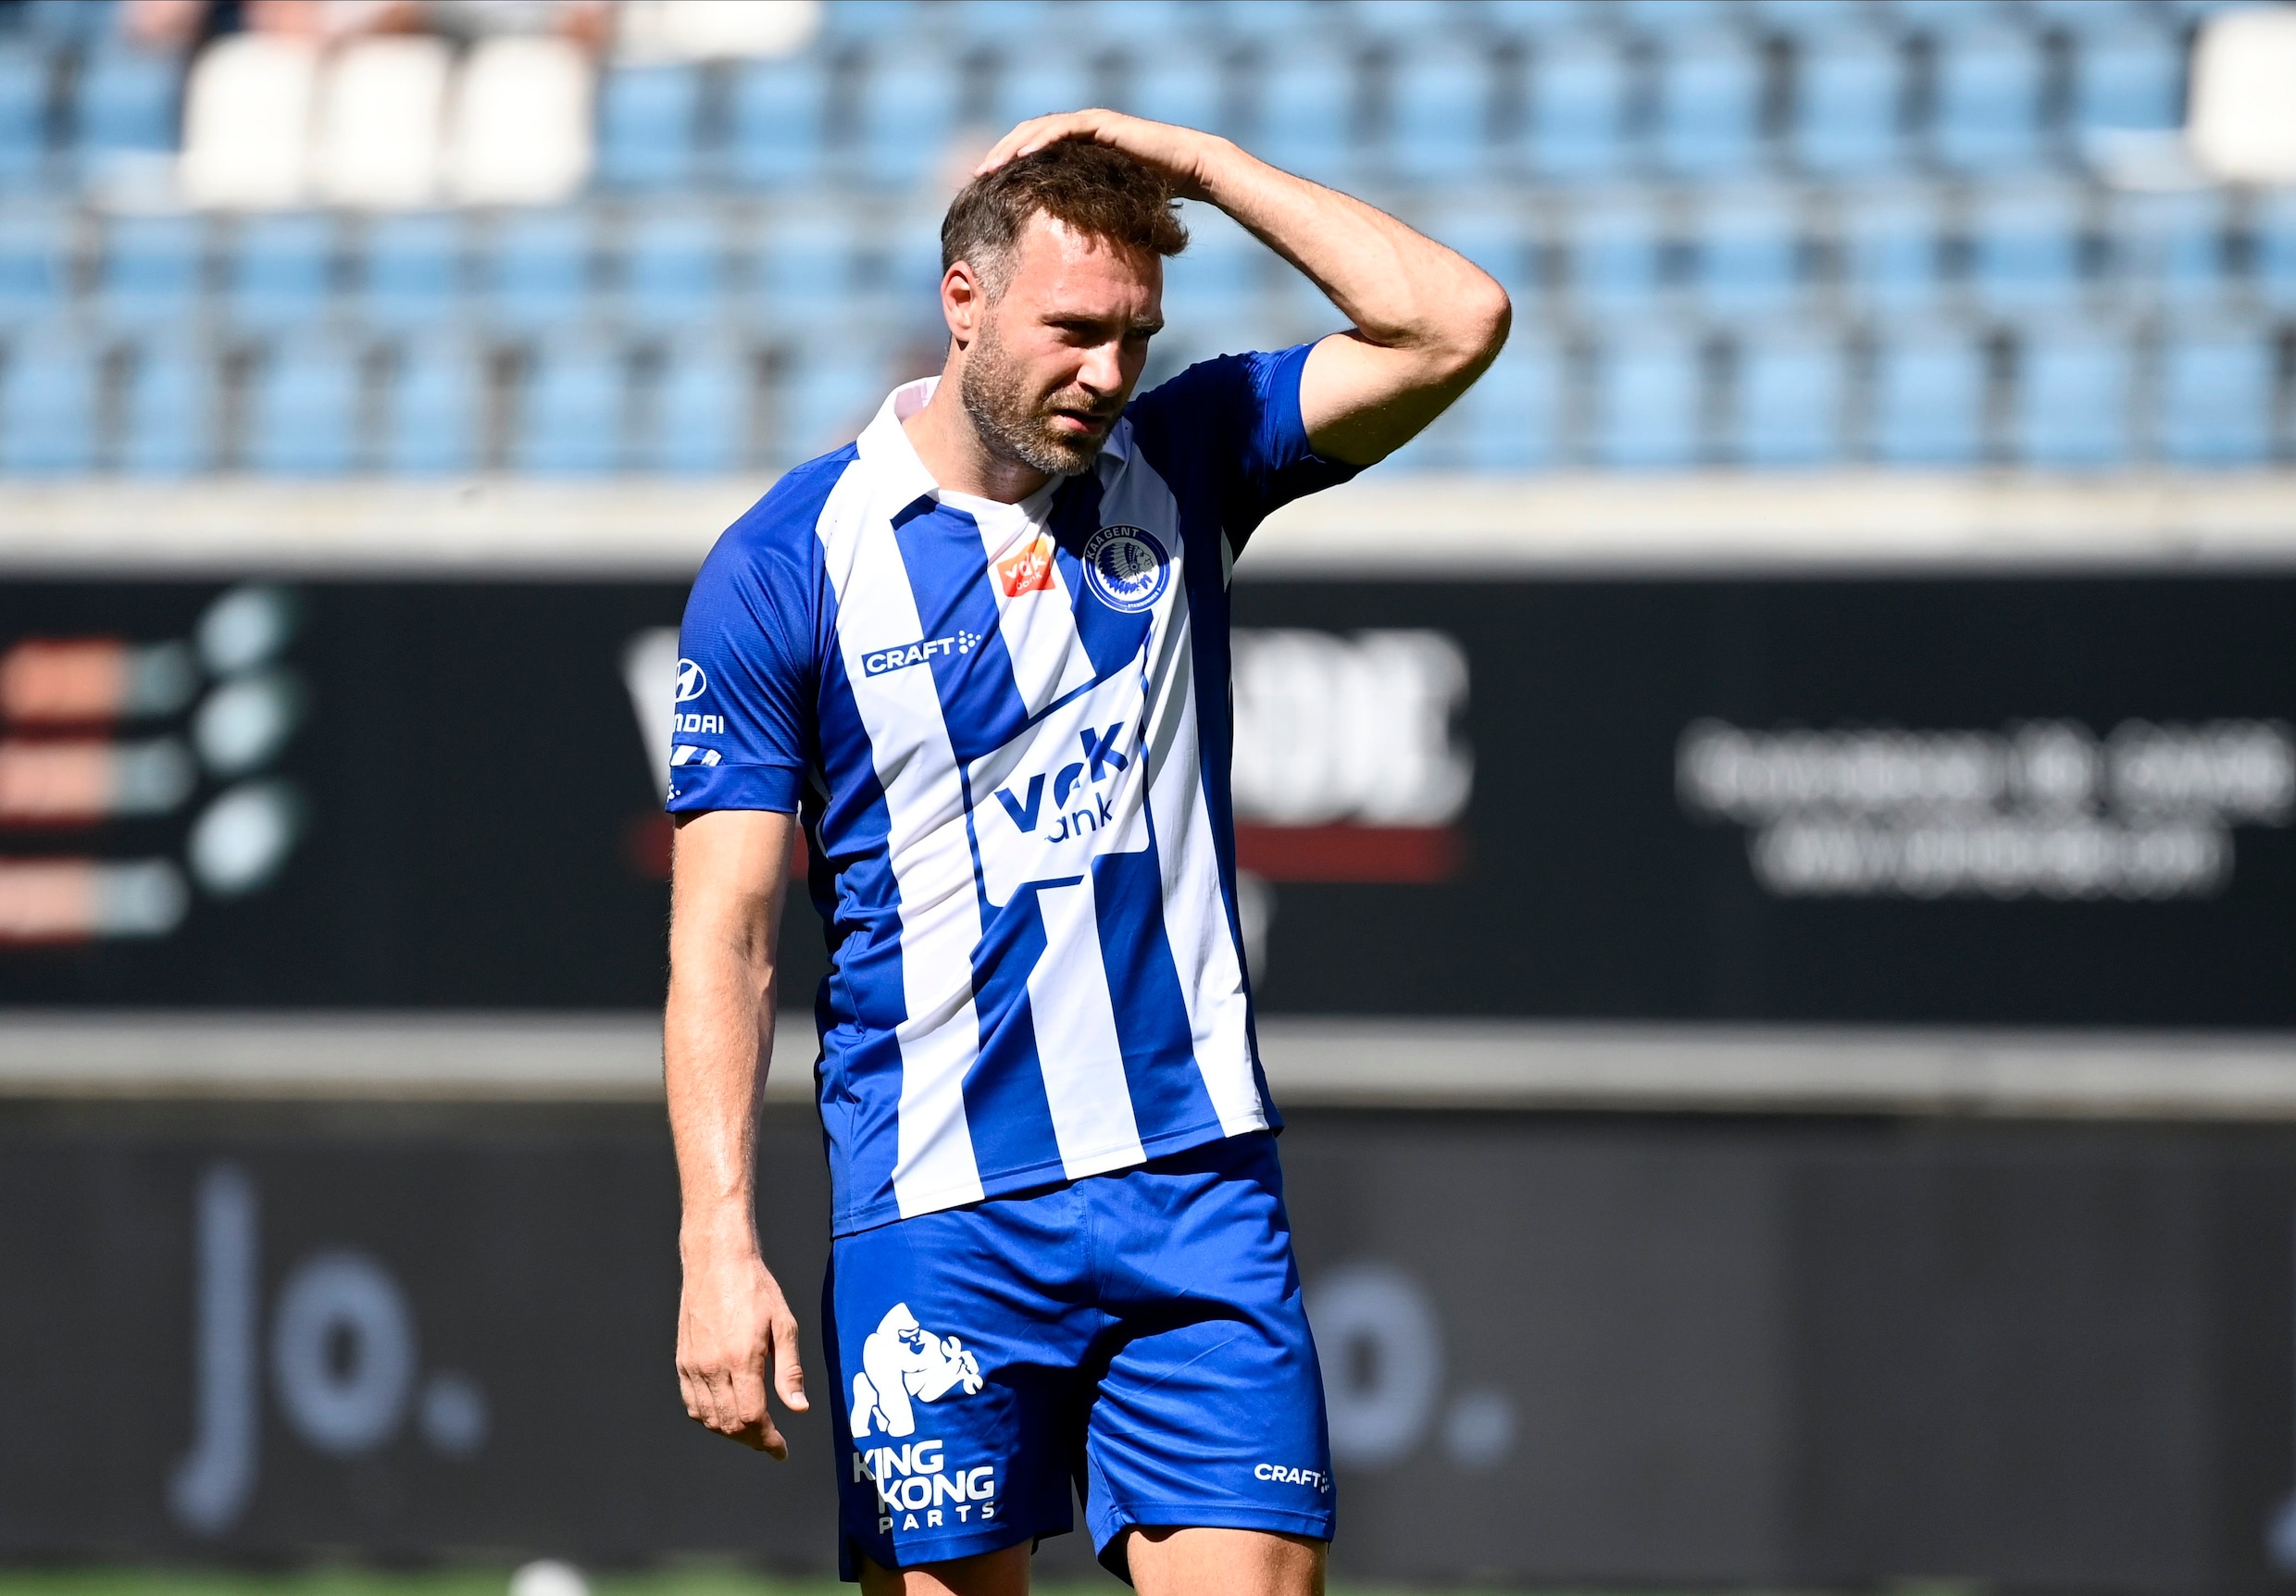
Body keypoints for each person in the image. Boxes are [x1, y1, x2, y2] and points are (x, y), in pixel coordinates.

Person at [665, 110, 1509, 1596]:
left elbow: (1453, 323)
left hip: (1194, 1186)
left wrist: (1198, 166)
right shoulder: (790, 562)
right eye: (1075, 330)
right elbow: (725, 935)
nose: (1109, 375)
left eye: (1136, 334)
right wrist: (716, 1244)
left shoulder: (1183, 461)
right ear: (965, 299)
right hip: (938, 1207)